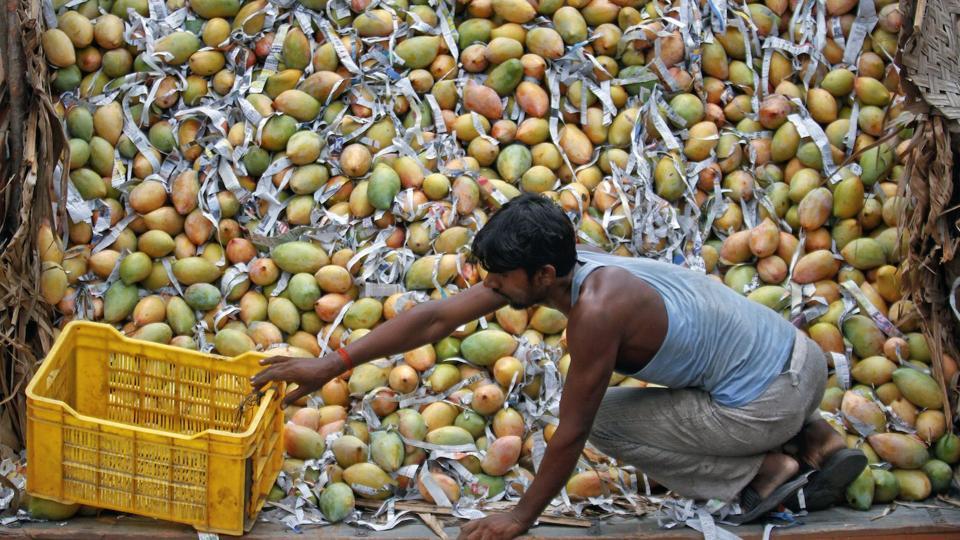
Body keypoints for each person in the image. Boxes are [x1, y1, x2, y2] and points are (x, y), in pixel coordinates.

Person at [252, 193, 866, 539]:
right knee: (710, 374)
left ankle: (766, 470)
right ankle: (818, 437)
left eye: (499, 279)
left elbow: (573, 430)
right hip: (794, 359)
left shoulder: (597, 312)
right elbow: (438, 317)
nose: (490, 286)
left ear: (541, 276)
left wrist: (521, 516)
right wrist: (329, 365)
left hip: (768, 397)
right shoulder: (568, 264)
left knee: (606, 424)